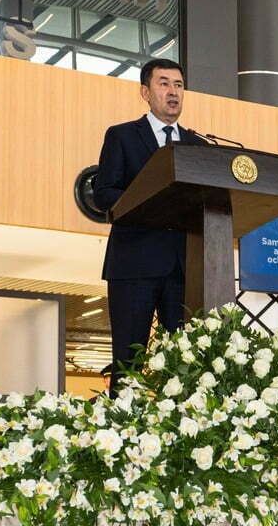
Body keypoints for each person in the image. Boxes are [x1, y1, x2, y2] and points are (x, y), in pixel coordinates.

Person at [93, 58, 206, 391]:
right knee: (128, 360)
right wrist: (149, 201)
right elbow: (104, 194)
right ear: (145, 92)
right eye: (164, 83)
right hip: (134, 264)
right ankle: (121, 432)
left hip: (182, 269)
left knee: (185, 361)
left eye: (179, 85)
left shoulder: (198, 145)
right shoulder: (123, 136)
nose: (173, 92)